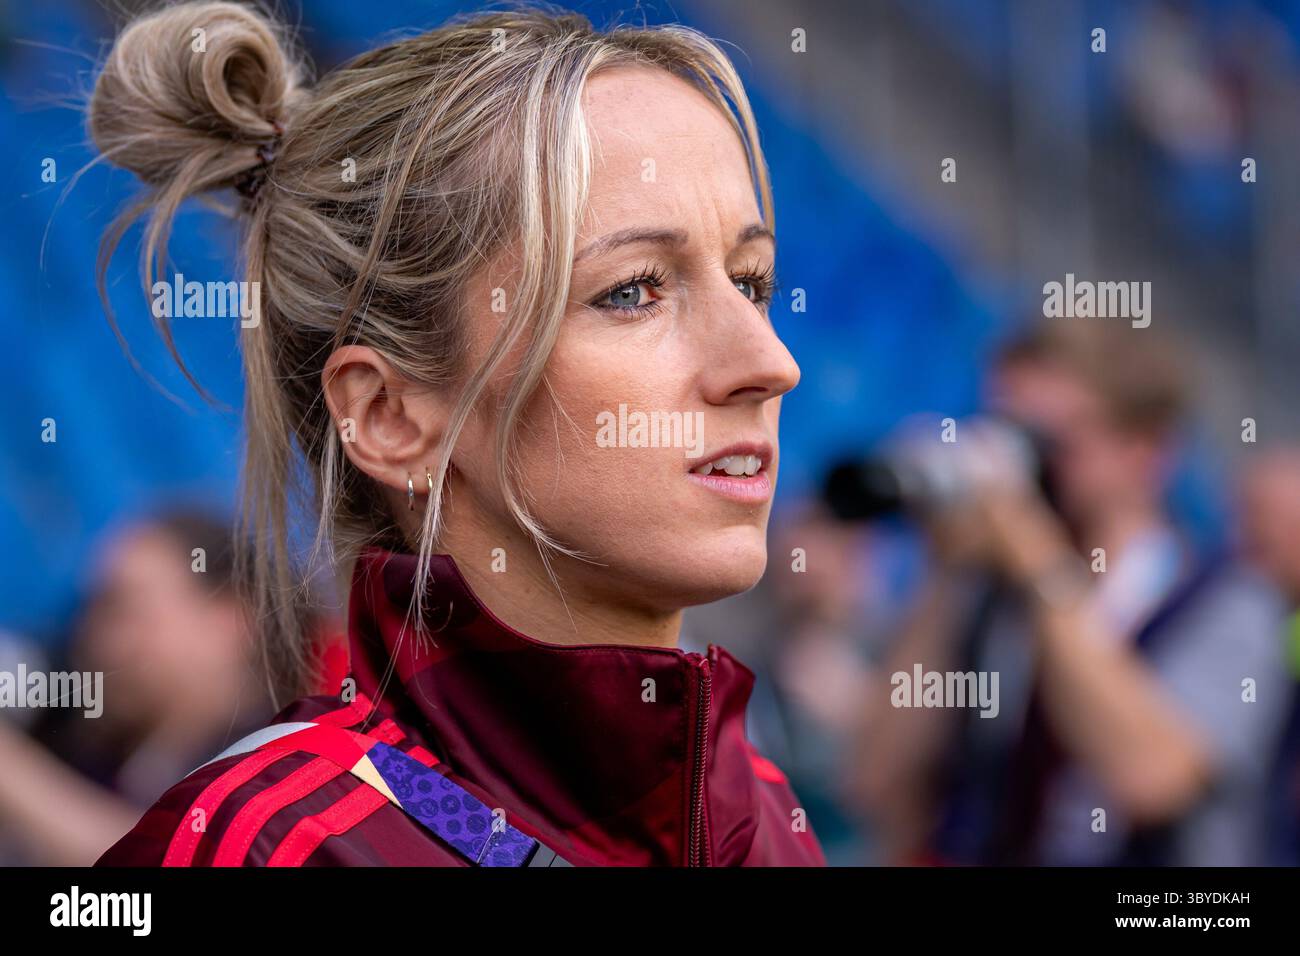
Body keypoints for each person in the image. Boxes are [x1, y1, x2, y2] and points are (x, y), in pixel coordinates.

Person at [88, 2, 821, 866]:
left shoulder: (765, 813)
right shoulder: (265, 849)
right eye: (632, 290)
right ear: (393, 417)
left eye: (752, 279)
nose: (769, 362)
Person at [849, 320, 1289, 866]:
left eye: (1048, 442)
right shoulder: (990, 593)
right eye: (1006, 431)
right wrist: (946, 572)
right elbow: (875, 780)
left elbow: (1151, 776)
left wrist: (1041, 566)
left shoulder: (1234, 602)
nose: (1025, 465)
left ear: (1146, 449)